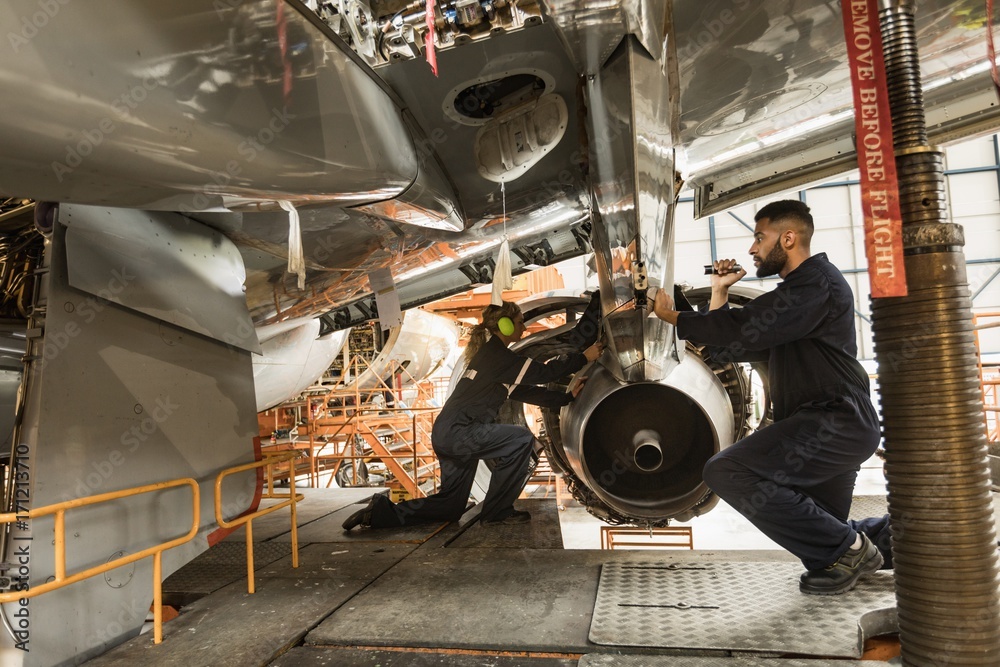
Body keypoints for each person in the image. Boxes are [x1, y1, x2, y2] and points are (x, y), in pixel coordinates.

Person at [652, 199, 887, 595]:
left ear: (789, 237)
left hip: (833, 422)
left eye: (760, 237)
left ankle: (853, 549)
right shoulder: (798, 297)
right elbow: (732, 348)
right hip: (829, 425)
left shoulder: (816, 285)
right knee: (821, 537)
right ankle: (911, 540)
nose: (752, 248)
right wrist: (718, 293)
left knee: (726, 470)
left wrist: (674, 316)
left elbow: (743, 326)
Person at [343, 297, 603, 530]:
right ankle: (498, 511)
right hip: (460, 433)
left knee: (450, 507)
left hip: (448, 433)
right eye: (519, 322)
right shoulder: (499, 356)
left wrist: (567, 398)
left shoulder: (491, 358)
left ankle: (378, 514)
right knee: (521, 440)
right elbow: (545, 373)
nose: (524, 328)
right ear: (505, 326)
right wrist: (584, 357)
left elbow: (528, 393)